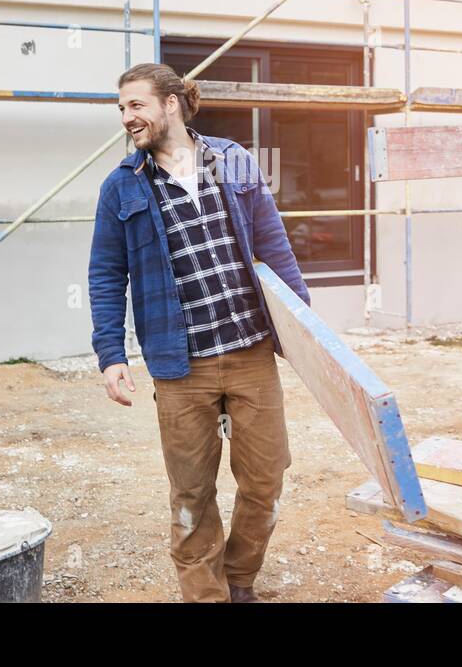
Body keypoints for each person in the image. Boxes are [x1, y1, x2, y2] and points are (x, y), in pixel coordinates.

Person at [88, 62, 310, 602]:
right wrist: (110, 354)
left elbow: (273, 245)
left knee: (265, 480)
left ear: (171, 103)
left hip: (251, 350)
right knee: (191, 494)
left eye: (136, 105)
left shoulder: (233, 161)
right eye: (121, 109)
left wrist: (305, 331)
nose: (127, 118)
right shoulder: (121, 187)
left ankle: (238, 580)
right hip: (179, 363)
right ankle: (205, 595)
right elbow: (105, 273)